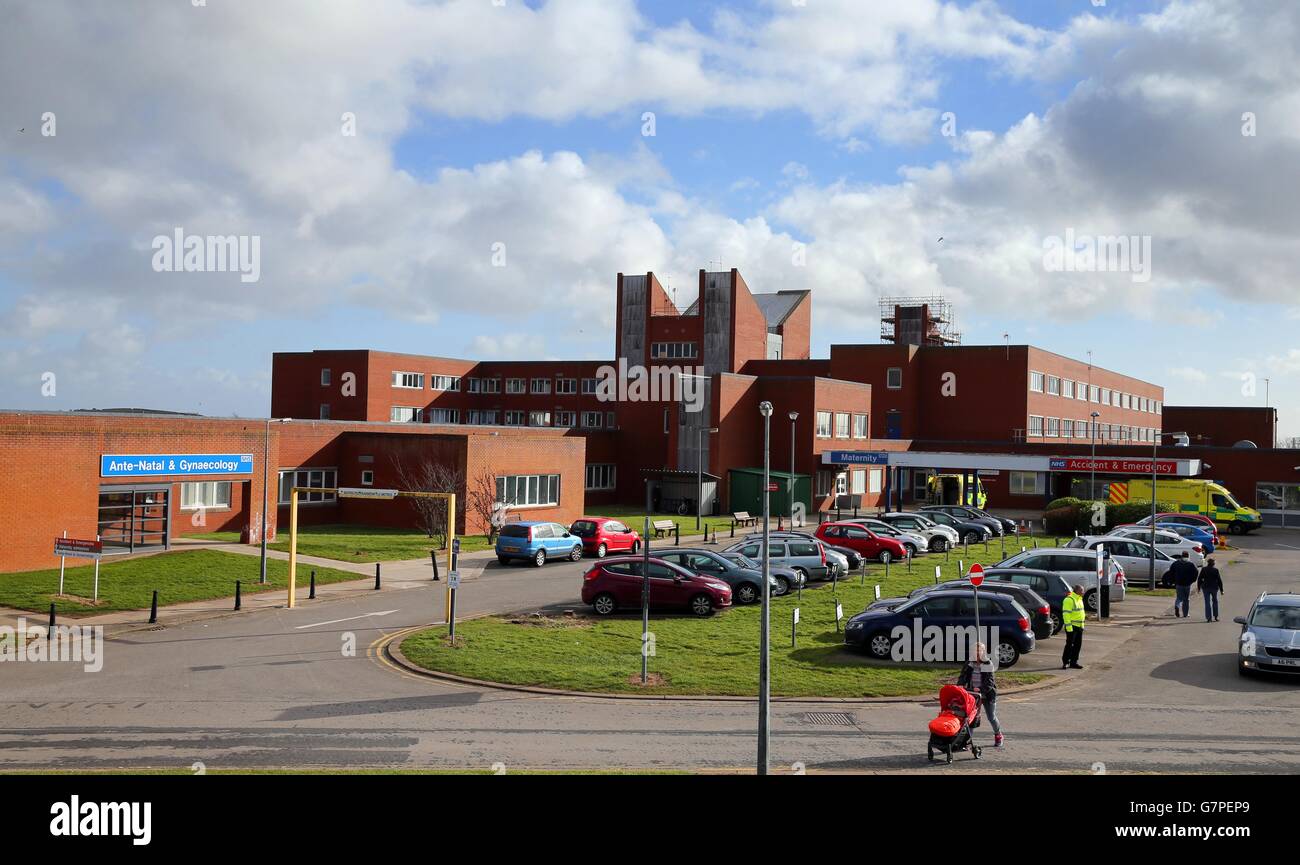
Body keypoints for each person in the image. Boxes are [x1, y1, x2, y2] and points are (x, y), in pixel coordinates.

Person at [957, 642, 1002, 747]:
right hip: (973, 694)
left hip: (987, 694)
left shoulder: (987, 663)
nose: (977, 653)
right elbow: (963, 676)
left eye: (979, 650)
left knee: (991, 717)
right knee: (972, 717)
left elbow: (989, 683)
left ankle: (998, 735)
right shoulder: (969, 663)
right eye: (975, 650)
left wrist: (980, 689)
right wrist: (960, 685)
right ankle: (968, 741)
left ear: (983, 652)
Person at [1061, 584, 1086, 670]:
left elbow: (1081, 613)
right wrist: (1069, 628)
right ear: (1077, 591)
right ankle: (1065, 662)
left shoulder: (1079, 599)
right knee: (1069, 645)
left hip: (1079, 627)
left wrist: (1082, 626)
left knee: (1077, 645)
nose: (1083, 592)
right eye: (1082, 590)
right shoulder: (1069, 600)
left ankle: (1074, 662)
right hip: (1072, 627)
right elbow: (1066, 615)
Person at [1169, 551, 1198, 618]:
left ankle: (1177, 606)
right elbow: (1196, 573)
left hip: (1178, 583)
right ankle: (1185, 613)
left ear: (1182, 556)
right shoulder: (1191, 564)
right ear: (1188, 556)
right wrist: (1192, 581)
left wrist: (1173, 580)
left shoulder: (1176, 563)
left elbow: (1171, 572)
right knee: (1186, 599)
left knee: (1179, 597)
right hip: (1187, 584)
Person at [1197, 557, 1224, 622]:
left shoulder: (1204, 569)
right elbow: (1219, 580)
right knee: (1215, 601)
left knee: (1207, 602)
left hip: (1205, 587)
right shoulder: (1216, 570)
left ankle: (1209, 618)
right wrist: (1221, 590)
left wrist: (1199, 588)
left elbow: (1199, 579)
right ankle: (1216, 616)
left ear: (1208, 563)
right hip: (1214, 588)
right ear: (1213, 564)